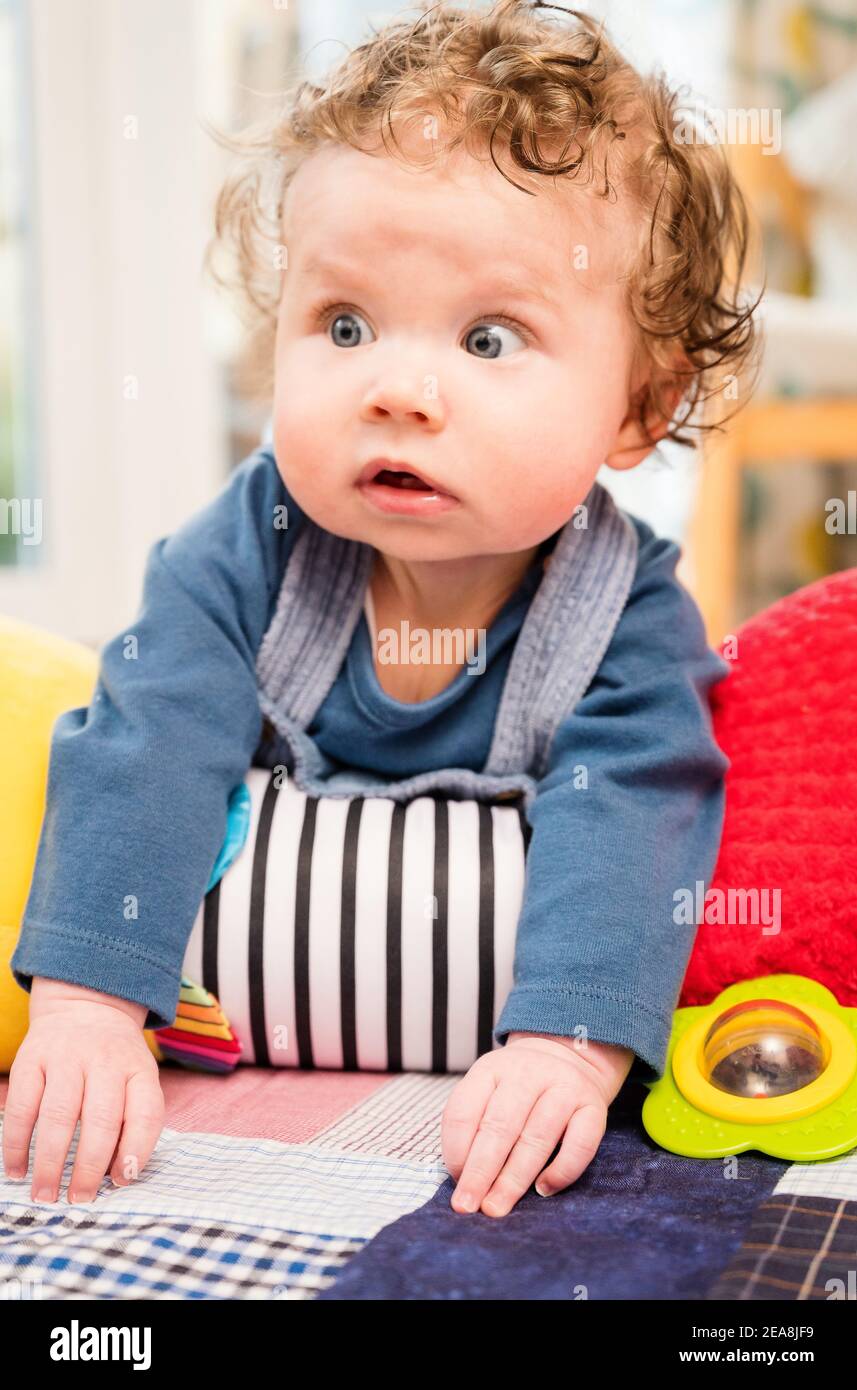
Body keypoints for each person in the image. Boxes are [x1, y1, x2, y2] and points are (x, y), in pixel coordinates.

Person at [4, 0, 760, 1220]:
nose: (399, 388)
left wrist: (567, 1043)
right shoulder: (254, 544)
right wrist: (90, 1001)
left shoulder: (623, 613)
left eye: (489, 337)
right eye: (343, 324)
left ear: (639, 407)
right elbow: (151, 735)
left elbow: (635, 808)